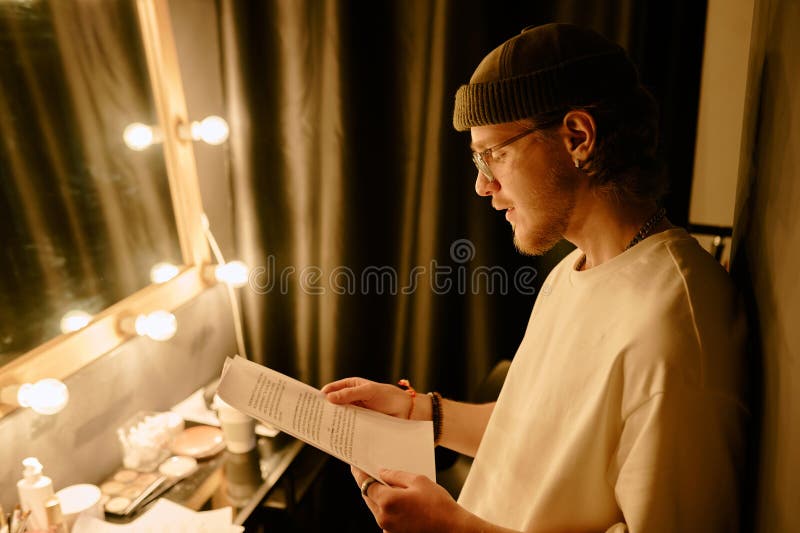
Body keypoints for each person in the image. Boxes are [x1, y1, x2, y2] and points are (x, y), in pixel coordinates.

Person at [322, 23, 747, 533]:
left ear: (578, 137)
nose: (483, 184)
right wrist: (417, 412)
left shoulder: (676, 326)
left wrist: (455, 529)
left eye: (493, 154)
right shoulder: (574, 270)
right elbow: (540, 434)